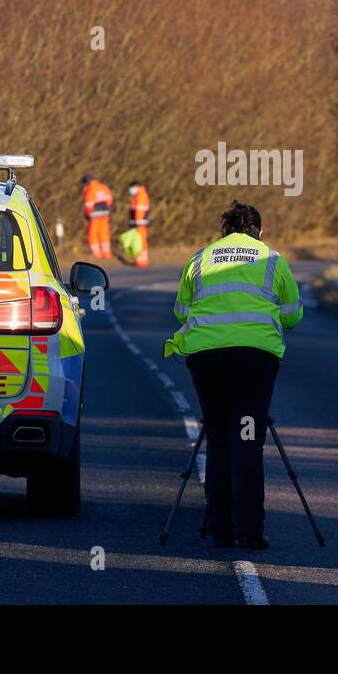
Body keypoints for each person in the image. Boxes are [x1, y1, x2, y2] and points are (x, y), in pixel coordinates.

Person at [164, 201, 303, 550]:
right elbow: (292, 315)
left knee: (217, 438)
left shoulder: (200, 259)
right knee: (247, 439)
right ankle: (248, 531)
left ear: (225, 229)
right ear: (258, 230)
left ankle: (220, 529)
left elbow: (182, 311)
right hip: (254, 361)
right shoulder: (272, 259)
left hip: (206, 359)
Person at [81, 174, 113, 258]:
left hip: (94, 214)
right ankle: (107, 253)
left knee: (93, 233)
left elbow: (88, 204)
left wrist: (87, 214)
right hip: (105, 213)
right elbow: (109, 200)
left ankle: (96, 253)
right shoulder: (103, 187)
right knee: (104, 232)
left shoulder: (89, 189)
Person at [127, 181, 151, 267]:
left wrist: (136, 223)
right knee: (140, 242)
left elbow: (139, 211)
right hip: (140, 223)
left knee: (140, 242)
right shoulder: (140, 195)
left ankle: (141, 261)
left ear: (136, 187)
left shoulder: (140, 196)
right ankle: (141, 260)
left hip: (139, 224)